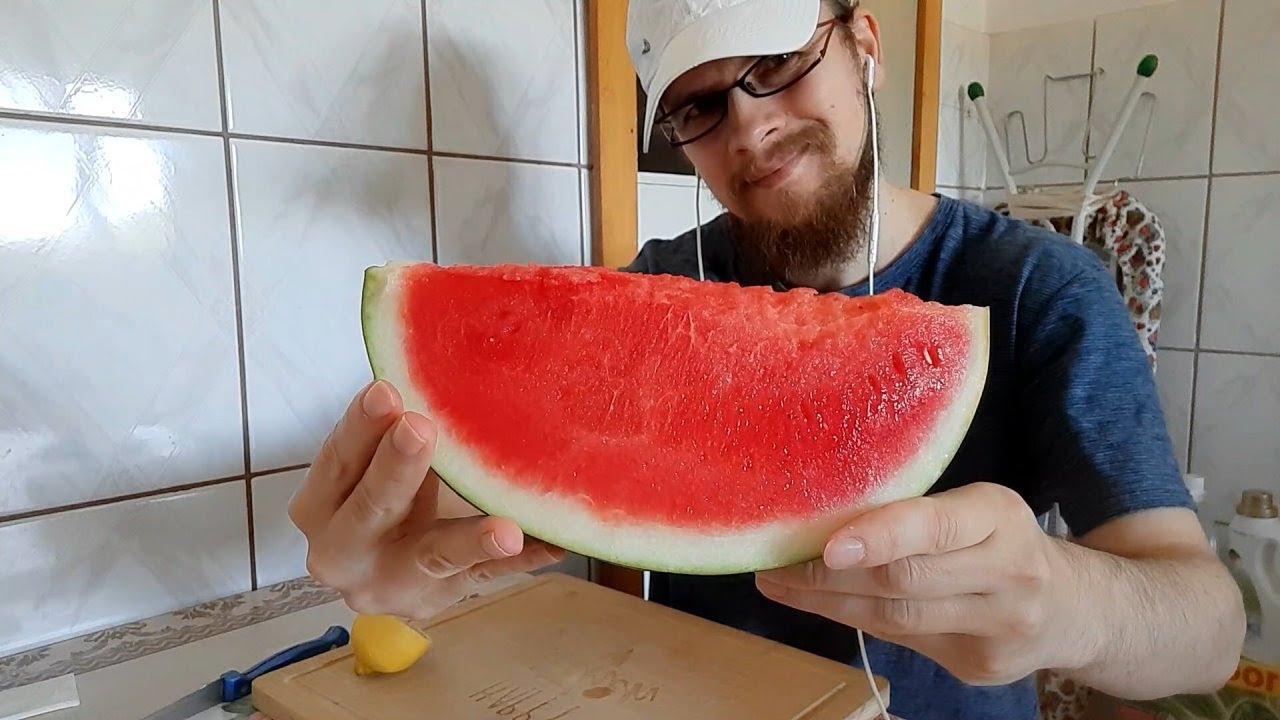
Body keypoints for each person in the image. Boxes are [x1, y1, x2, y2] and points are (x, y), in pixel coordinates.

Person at [287, 1, 1246, 718]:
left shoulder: (1039, 289)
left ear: (864, 46)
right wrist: (399, 551)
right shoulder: (658, 287)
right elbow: (496, 500)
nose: (748, 126)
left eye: (781, 63)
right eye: (700, 105)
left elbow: (1207, 629)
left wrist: (1066, 601)